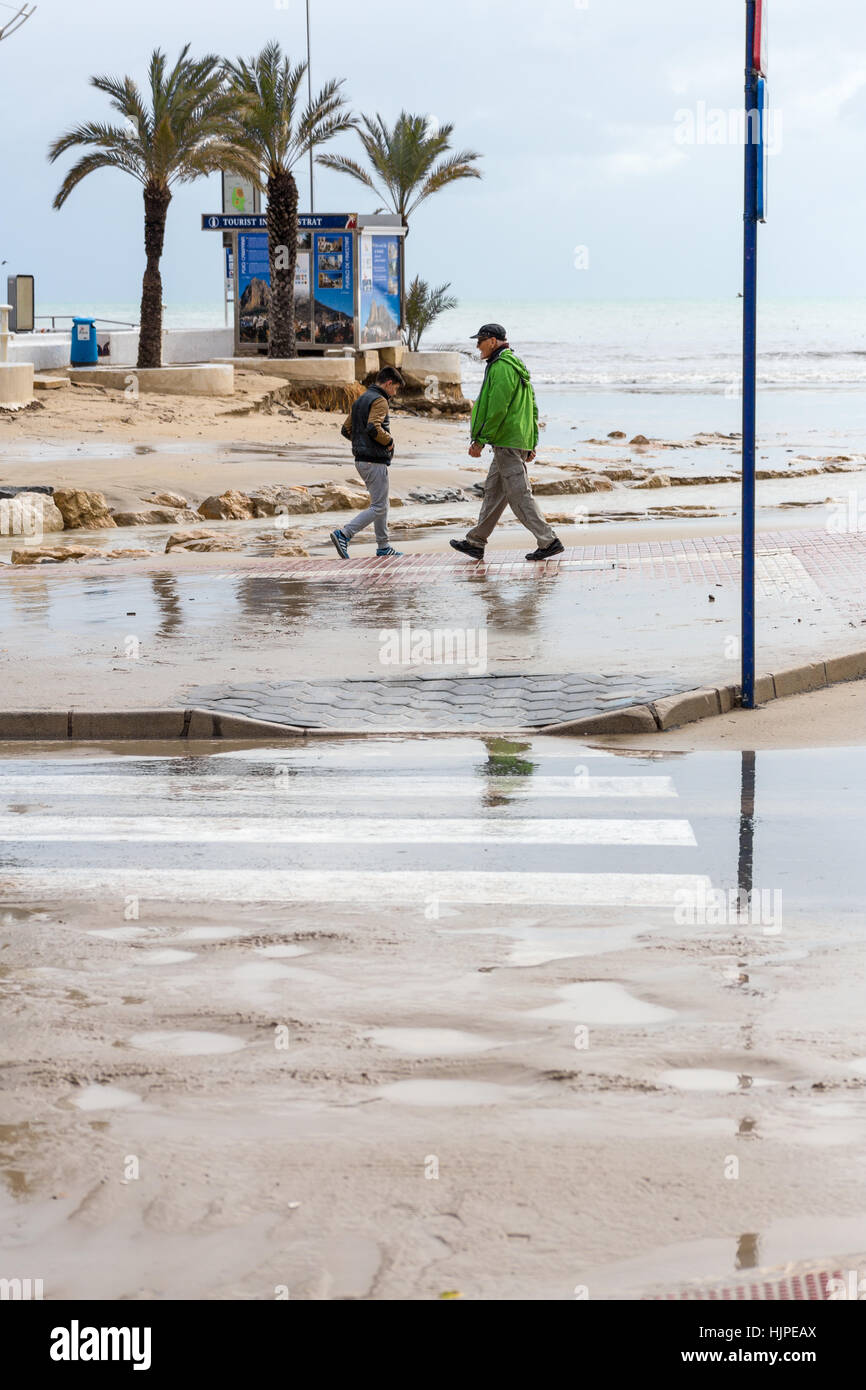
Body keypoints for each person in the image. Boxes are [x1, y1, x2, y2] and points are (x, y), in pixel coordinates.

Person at [450, 323, 564, 562]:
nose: (477, 346)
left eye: (480, 341)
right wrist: (531, 441)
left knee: (519, 494)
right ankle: (475, 542)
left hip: (507, 440)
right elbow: (532, 406)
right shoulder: (513, 364)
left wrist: (480, 439)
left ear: (492, 341)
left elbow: (496, 408)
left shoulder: (501, 367)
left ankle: (548, 541)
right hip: (515, 439)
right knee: (494, 492)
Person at [330, 366, 405, 559]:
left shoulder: (361, 399)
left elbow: (346, 430)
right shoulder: (380, 400)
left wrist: (360, 444)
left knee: (381, 503)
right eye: (395, 388)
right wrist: (388, 442)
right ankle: (344, 534)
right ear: (388, 383)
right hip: (374, 460)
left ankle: (383, 546)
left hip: (361, 460)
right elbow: (373, 427)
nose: (394, 393)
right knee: (379, 506)